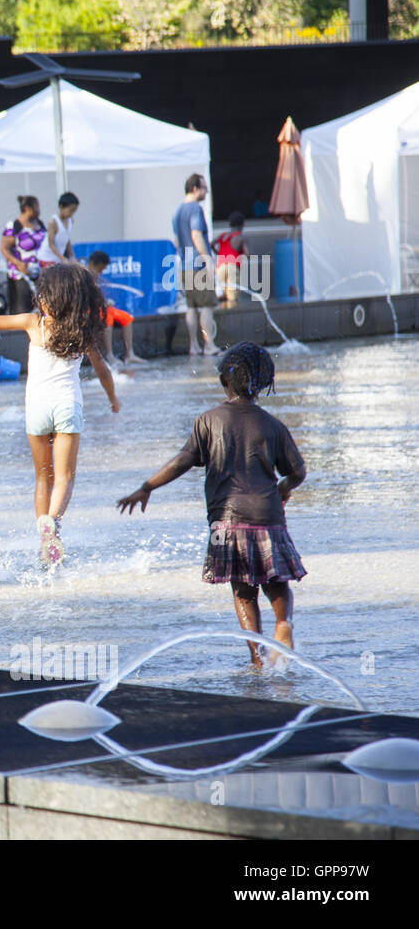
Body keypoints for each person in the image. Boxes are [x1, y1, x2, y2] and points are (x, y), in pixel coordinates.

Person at [116, 342, 306, 667]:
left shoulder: (208, 421)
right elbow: (298, 471)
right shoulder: (273, 426)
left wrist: (147, 487)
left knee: (243, 590)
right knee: (277, 582)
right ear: (263, 384)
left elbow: (182, 461)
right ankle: (284, 624)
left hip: (226, 521)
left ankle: (258, 657)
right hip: (268, 515)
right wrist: (284, 487)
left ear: (223, 382)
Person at [0, 264, 120, 569]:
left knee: (43, 477)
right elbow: (103, 372)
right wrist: (113, 399)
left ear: (48, 298)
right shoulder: (82, 330)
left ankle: (45, 539)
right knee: (65, 478)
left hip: (36, 408)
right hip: (68, 406)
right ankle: (53, 523)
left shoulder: (33, 323)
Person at [172, 173, 219, 356]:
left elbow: (176, 240)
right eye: (204, 188)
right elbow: (196, 235)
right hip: (198, 265)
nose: (206, 192)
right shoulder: (195, 209)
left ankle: (194, 346)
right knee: (207, 305)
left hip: (185, 265)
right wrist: (207, 258)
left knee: (191, 307)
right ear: (195, 189)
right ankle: (209, 346)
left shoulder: (177, 211)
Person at [87, 251, 145, 364]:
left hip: (101, 306)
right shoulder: (85, 275)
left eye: (102, 270)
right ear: (92, 264)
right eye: (99, 269)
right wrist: (101, 303)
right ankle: (109, 355)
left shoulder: (97, 277)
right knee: (107, 317)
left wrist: (105, 302)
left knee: (127, 318)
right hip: (91, 310)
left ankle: (130, 354)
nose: (100, 273)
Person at [0, 196, 47, 315]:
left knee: (40, 308)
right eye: (36, 207)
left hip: (40, 274)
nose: (39, 210)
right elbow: (4, 248)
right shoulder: (14, 226)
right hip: (21, 274)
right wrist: (18, 263)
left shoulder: (40, 224)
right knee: (22, 311)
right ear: (27, 208)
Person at [212, 211, 251, 307]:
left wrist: (219, 254)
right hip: (232, 268)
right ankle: (231, 318)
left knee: (220, 296)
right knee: (232, 297)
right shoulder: (240, 237)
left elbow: (212, 244)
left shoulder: (223, 235)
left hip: (220, 267)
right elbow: (248, 254)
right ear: (243, 224)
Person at [37, 192, 79, 268]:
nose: (72, 214)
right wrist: (63, 259)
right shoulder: (53, 222)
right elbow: (51, 244)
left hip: (57, 259)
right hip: (46, 258)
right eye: (70, 211)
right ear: (61, 207)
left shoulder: (70, 220)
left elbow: (67, 238)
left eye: (74, 211)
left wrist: (72, 256)